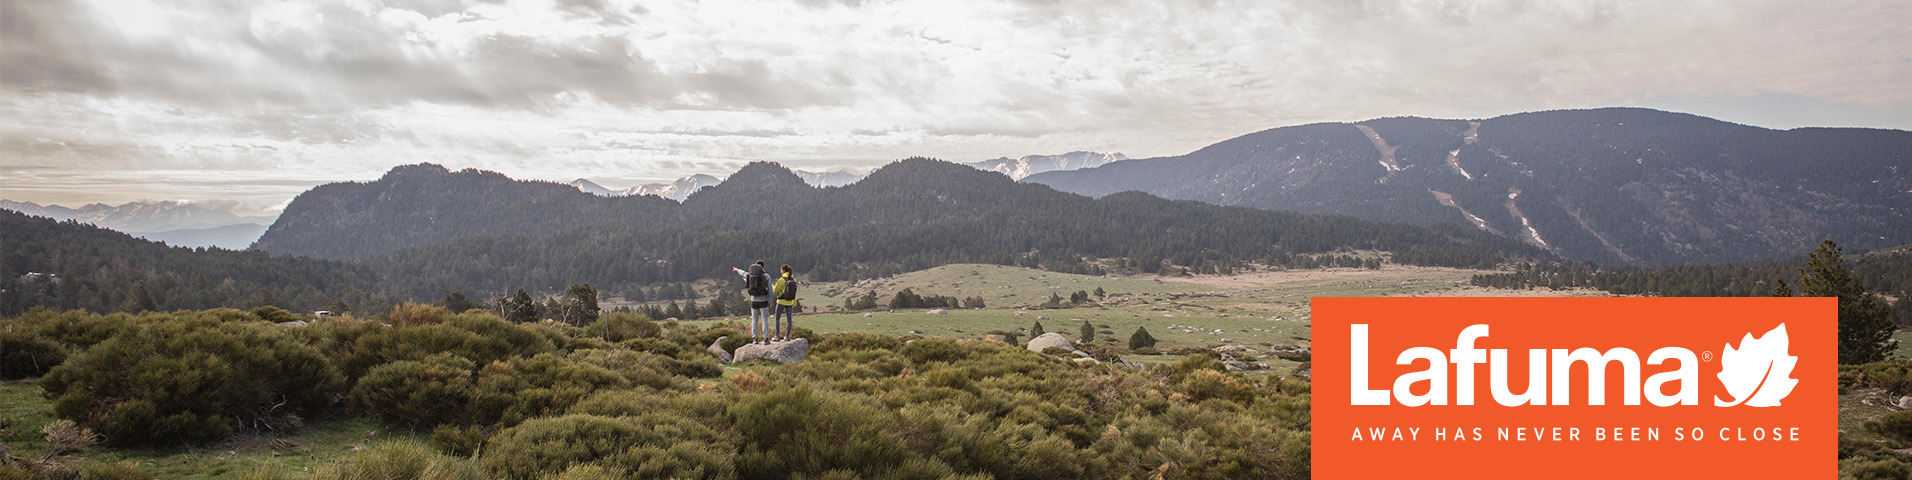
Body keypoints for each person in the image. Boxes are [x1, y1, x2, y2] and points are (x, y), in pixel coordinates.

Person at [732, 260, 774, 344]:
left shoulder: (750, 275)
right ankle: (766, 338)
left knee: (754, 319)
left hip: (753, 300)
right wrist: (770, 301)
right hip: (763, 300)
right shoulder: (766, 276)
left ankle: (755, 338)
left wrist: (736, 270)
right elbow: (770, 290)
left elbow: (743, 273)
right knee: (764, 319)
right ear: (763, 267)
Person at [772, 264, 798, 341]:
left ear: (783, 271)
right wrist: (794, 302)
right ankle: (787, 336)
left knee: (777, 318)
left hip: (781, 301)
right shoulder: (793, 279)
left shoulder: (782, 279)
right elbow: (795, 292)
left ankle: (777, 336)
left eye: (781, 270)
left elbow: (776, 290)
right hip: (790, 302)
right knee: (789, 320)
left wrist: (772, 286)